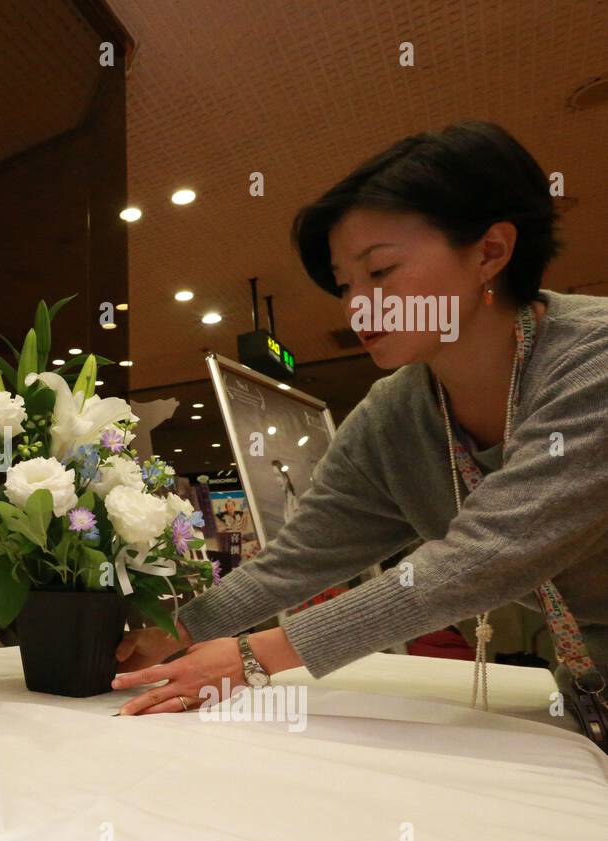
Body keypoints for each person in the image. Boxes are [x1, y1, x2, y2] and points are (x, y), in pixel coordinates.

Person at [114, 121, 608, 716]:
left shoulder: (591, 361)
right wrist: (180, 631)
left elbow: (485, 557)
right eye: (345, 284)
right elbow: (299, 557)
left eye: (380, 272)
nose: (357, 305)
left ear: (490, 251)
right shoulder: (395, 414)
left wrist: (253, 656)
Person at [270, 460, 299, 525]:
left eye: (279, 475)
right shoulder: (286, 503)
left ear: (286, 478)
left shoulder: (294, 500)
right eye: (275, 476)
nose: (277, 480)